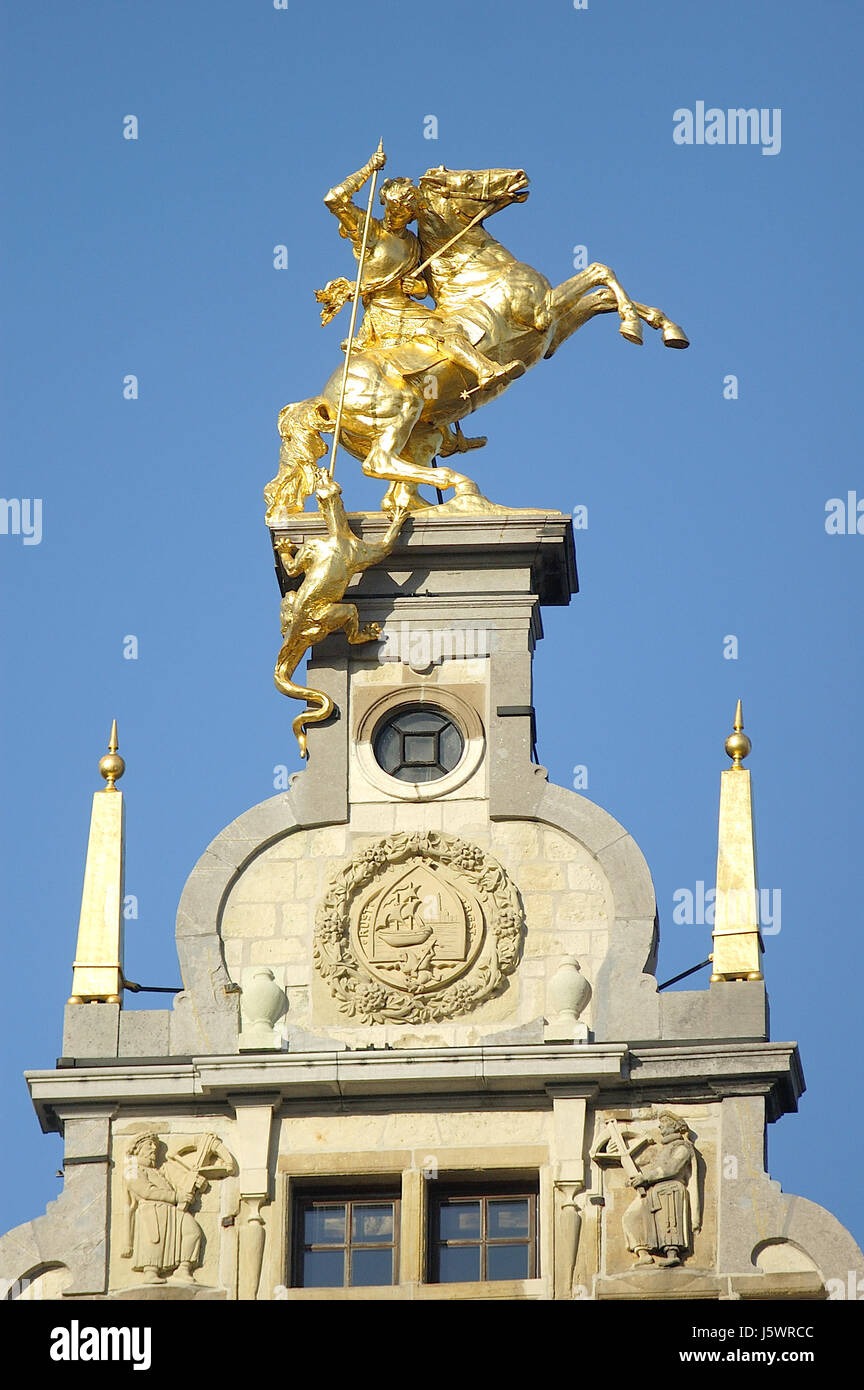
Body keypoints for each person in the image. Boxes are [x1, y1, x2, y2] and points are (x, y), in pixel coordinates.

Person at [316, 149, 524, 393]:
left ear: (412, 214)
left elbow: (424, 288)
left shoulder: (413, 243)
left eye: (403, 212)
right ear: (385, 205)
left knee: (454, 327)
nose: (396, 215)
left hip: (409, 308)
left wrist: (417, 287)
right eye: (392, 209)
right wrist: (369, 168)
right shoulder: (370, 232)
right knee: (442, 332)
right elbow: (334, 199)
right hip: (384, 313)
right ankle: (485, 371)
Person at [121, 1133, 206, 1284]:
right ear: (138, 1148)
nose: (154, 1148)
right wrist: (176, 1197)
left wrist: (194, 1186)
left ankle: (183, 1268)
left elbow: (175, 1186)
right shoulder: (132, 1168)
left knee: (192, 1231)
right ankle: (150, 1272)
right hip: (152, 1210)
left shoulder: (158, 1170)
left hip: (171, 1209)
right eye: (149, 1144)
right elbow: (146, 1191)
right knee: (154, 1241)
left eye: (155, 1145)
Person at [621, 1112, 696, 1268]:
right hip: (654, 1190)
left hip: (670, 1189)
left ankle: (672, 1254)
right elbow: (652, 1166)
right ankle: (643, 1253)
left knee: (669, 1222)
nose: (660, 1126)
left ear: (674, 1126)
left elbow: (672, 1168)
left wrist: (646, 1178)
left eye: (664, 1122)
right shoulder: (665, 1148)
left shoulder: (683, 1147)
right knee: (631, 1217)